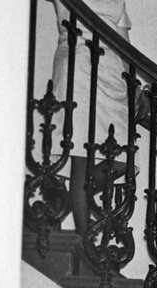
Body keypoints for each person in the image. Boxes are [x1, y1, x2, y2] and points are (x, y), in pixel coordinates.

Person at [49, 1, 139, 237]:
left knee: (122, 161)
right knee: (81, 153)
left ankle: (60, 208)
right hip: (78, 64)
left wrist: (135, 85)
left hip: (112, 73)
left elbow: (125, 45)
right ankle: (84, 238)